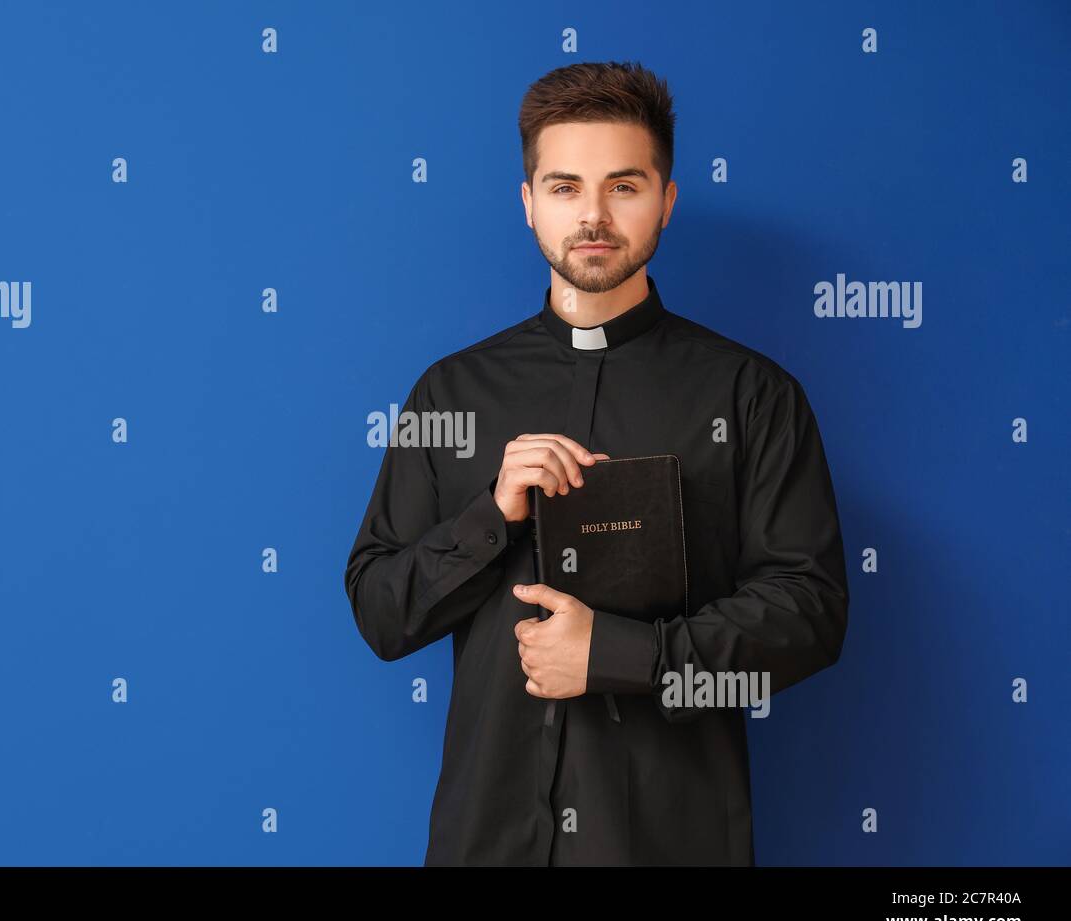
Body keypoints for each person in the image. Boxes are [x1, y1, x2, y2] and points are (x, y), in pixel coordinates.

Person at [344, 60, 849, 865]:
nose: (593, 216)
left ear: (667, 200)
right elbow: (379, 612)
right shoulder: (448, 391)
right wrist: (489, 517)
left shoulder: (752, 395)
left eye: (623, 186)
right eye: (564, 186)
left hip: (670, 840)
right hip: (484, 839)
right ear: (528, 204)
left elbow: (810, 617)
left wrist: (623, 657)